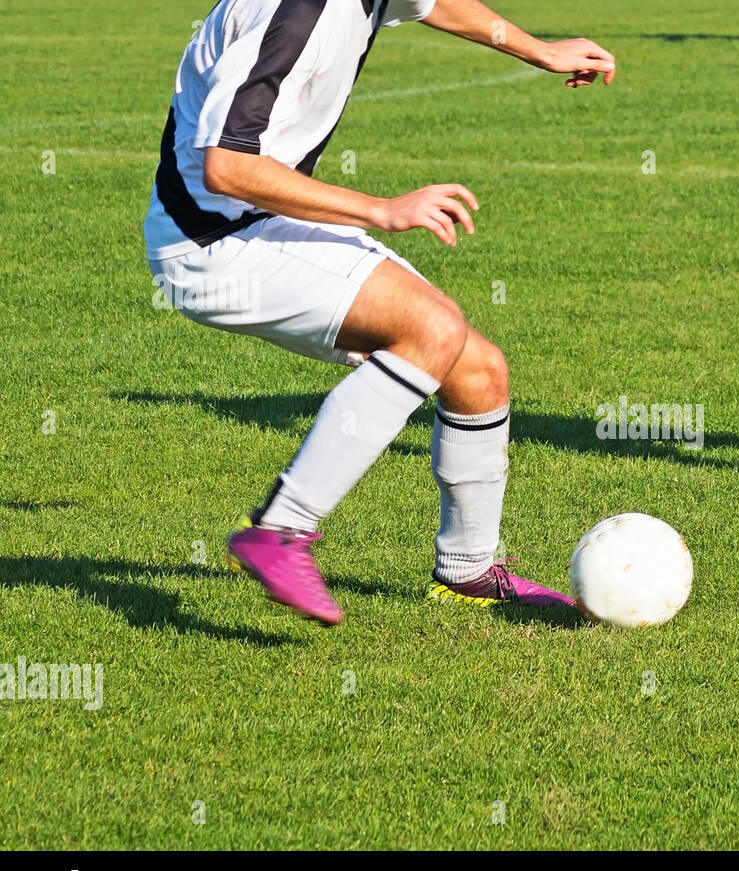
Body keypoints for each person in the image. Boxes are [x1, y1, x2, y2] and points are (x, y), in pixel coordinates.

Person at [145, 0, 616, 623]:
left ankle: (469, 571)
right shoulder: (296, 13)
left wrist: (540, 50)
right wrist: (382, 209)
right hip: (211, 243)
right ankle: (281, 530)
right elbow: (227, 165)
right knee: (433, 329)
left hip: (264, 219)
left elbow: (434, 5)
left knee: (478, 370)